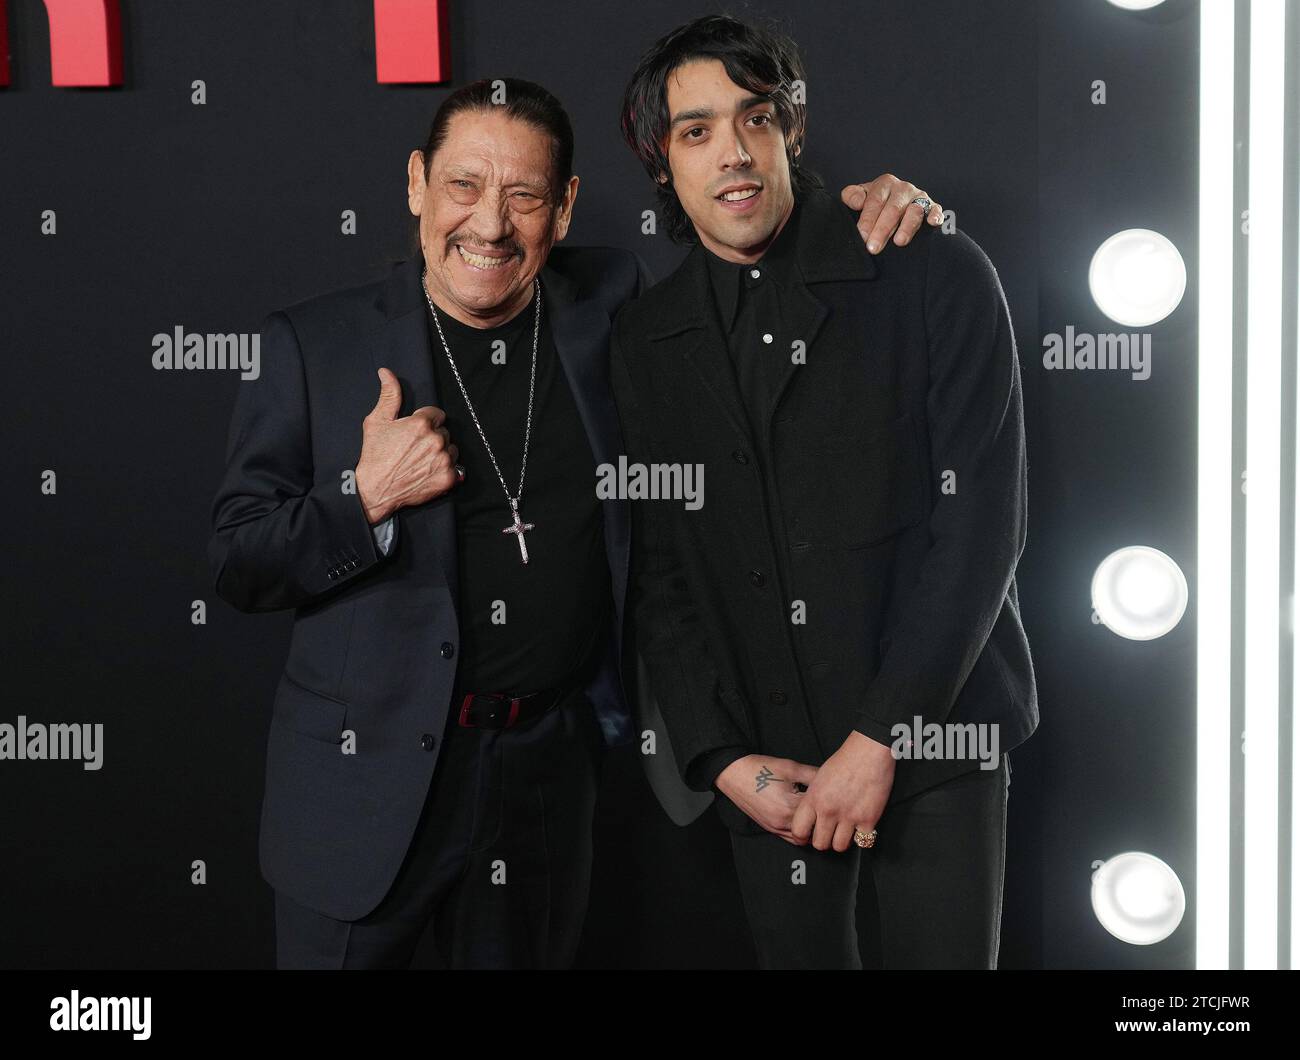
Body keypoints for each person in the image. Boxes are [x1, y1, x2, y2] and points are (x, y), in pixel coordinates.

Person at [208, 74, 942, 969]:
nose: (488, 224)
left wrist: (863, 214)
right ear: (415, 185)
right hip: (362, 794)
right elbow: (239, 560)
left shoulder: (611, 303)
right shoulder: (312, 346)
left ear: (564, 210)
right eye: (463, 187)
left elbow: (748, 268)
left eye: (523, 196)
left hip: (545, 782)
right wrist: (363, 500)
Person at [611, 14, 1038, 969]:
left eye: (756, 118)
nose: (734, 153)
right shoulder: (644, 342)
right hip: (771, 779)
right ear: (662, 163)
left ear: (791, 131)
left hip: (934, 752)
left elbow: (980, 533)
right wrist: (721, 761)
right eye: (696, 130)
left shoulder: (932, 270)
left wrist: (881, 739)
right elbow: (662, 581)